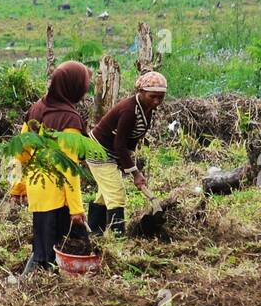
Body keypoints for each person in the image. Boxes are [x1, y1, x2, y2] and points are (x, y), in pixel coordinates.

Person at [10, 61, 93, 272]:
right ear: (73, 86)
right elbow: (69, 169)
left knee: (43, 249)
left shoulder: (37, 108)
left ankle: (28, 284)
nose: (85, 90)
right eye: (84, 85)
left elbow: (20, 152)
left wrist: (18, 187)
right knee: (57, 254)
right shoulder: (69, 119)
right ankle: (35, 289)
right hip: (58, 196)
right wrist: (76, 209)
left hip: (37, 191)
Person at [85, 70, 167, 234]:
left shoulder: (146, 108)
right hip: (99, 151)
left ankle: (94, 233)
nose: (157, 101)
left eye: (160, 97)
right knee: (116, 194)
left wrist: (126, 164)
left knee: (104, 194)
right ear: (141, 92)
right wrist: (135, 172)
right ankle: (118, 238)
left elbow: (131, 140)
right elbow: (119, 144)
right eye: (153, 96)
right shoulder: (129, 111)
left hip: (113, 151)